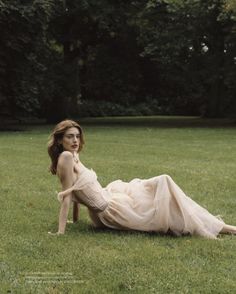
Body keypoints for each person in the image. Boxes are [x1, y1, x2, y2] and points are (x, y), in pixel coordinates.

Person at [47, 119, 236, 239]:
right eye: (70, 137)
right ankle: (225, 228)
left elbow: (75, 192)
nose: (75, 141)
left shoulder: (72, 155)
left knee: (164, 186)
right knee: (165, 192)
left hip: (112, 196)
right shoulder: (66, 157)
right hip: (112, 212)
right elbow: (67, 195)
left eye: (77, 136)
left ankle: (221, 226)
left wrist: (76, 220)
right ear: (59, 140)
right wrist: (61, 232)